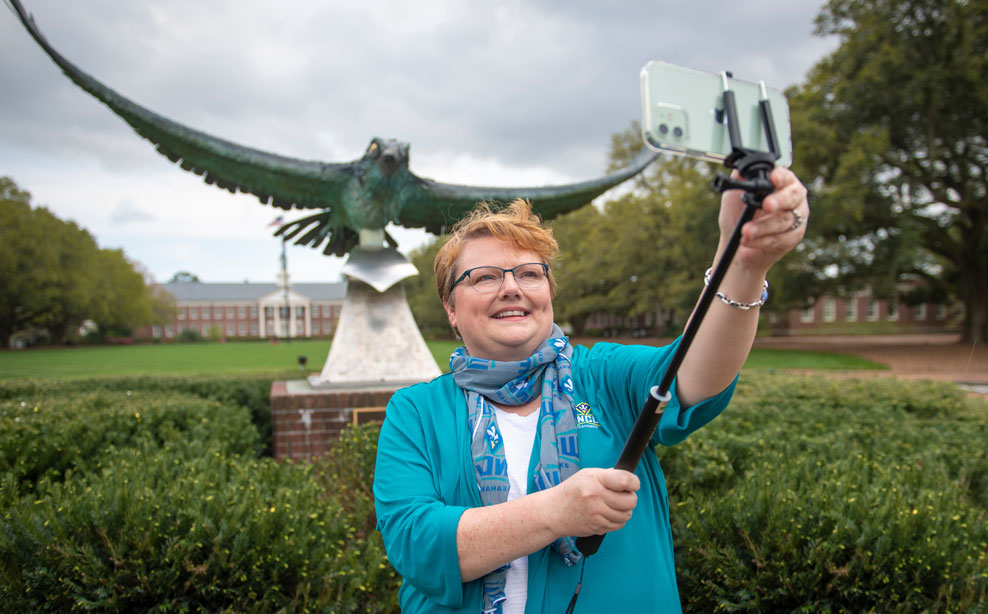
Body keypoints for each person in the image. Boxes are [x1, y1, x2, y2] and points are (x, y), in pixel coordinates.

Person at [373, 167, 809, 613]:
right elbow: (416, 543)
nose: (511, 288)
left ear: (548, 291)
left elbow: (696, 372)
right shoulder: (417, 412)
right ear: (450, 307)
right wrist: (554, 512)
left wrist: (743, 262)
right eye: (484, 277)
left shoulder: (604, 377)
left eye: (529, 273)